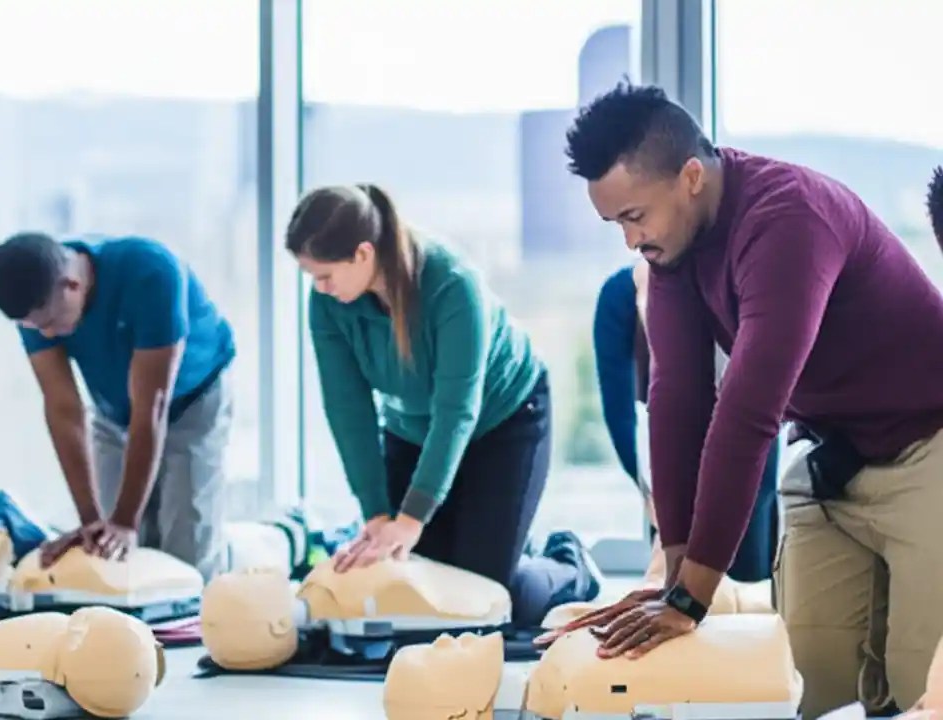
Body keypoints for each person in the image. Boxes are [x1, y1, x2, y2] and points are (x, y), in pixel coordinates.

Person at [559, 82, 943, 718]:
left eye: (634, 217)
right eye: (615, 224)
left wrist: (692, 598)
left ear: (689, 177)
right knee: (801, 689)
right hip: (833, 461)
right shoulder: (675, 247)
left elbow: (747, 413)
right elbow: (676, 398)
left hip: (928, 449)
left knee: (917, 692)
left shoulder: (788, 219)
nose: (630, 242)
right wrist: (675, 571)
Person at [286, 183, 601, 628]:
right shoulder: (329, 304)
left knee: (485, 598)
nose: (319, 288)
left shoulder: (453, 286)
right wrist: (378, 515)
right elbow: (347, 410)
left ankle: (569, 564)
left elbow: (456, 412)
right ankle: (508, 539)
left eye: (324, 274)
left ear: (362, 254)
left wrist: (411, 520)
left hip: (504, 422)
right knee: (417, 586)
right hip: (412, 429)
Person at [0, 232, 235, 583]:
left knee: (186, 559)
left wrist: (123, 520)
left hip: (191, 400)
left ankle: (274, 539)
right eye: (36, 329)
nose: (48, 335)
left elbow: (152, 406)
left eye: (52, 324)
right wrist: (92, 520)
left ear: (72, 285)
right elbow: (63, 408)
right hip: (115, 410)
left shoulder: (150, 272)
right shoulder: (39, 306)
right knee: (110, 551)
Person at [592, 259, 779, 583]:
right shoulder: (617, 298)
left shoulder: (726, 287)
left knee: (748, 580)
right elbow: (619, 412)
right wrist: (651, 492)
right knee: (673, 576)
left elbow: (753, 397)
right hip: (666, 443)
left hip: (744, 433)